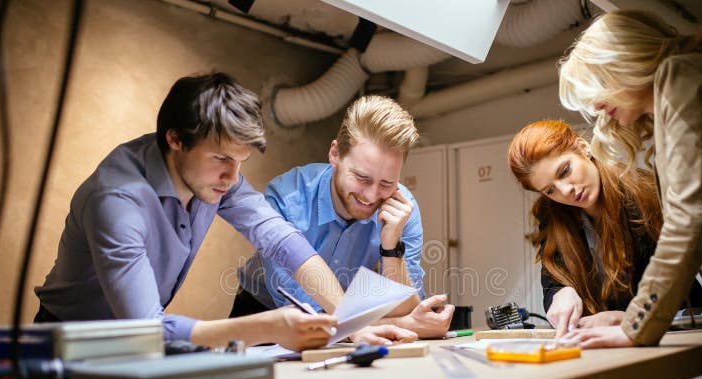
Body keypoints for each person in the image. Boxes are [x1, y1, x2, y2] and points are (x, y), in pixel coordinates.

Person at [34, 72, 351, 352]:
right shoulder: (116, 202)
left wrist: (348, 320)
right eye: (221, 158)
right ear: (175, 139)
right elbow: (146, 327)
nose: (232, 177)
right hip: (66, 344)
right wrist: (266, 327)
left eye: (240, 161)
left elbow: (280, 240)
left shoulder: (215, 178)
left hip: (136, 342)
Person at [509, 118, 702, 379]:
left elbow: (687, 294)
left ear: (581, 147)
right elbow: (553, 275)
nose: (566, 192)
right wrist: (561, 293)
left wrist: (630, 317)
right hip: (605, 348)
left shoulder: (642, 196)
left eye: (564, 172)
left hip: (656, 340)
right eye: (550, 189)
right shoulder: (556, 214)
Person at [555, 10, 702, 368]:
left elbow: (690, 217)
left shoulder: (678, 74)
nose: (595, 106)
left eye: (594, 88)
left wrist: (637, 326)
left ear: (619, 61)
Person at [231, 94, 454, 339]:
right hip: (264, 312)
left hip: (355, 321)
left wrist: (391, 248)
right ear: (335, 154)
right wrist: (405, 324)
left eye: (387, 182)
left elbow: (408, 307)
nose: (371, 196)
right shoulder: (285, 198)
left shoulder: (402, 209)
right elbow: (306, 315)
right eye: (362, 178)